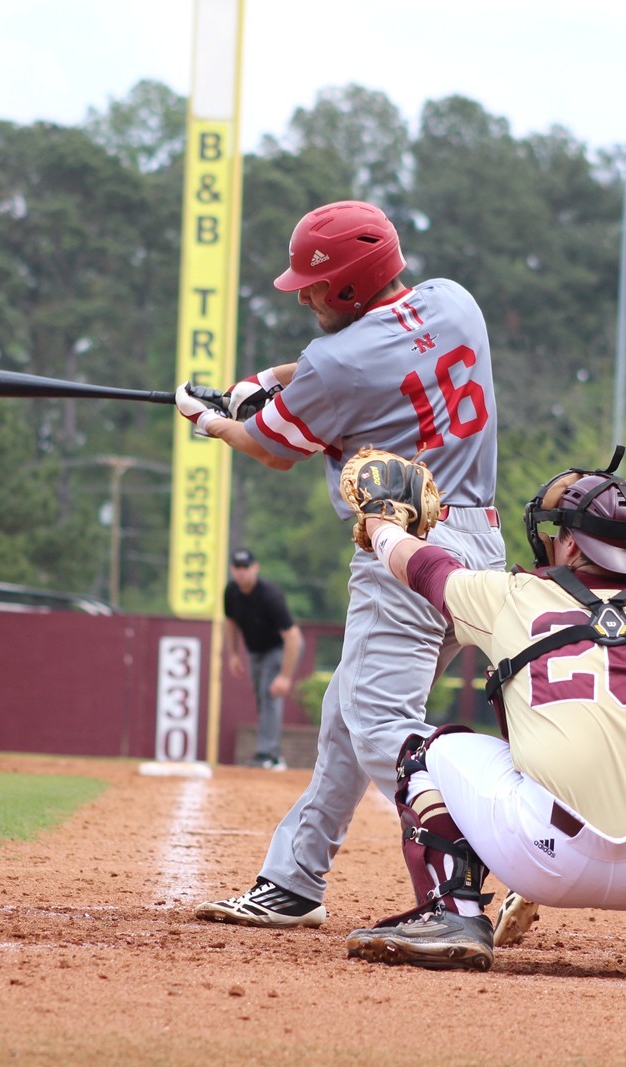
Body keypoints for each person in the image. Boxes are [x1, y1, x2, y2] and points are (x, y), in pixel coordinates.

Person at [178, 200, 505, 928]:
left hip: (403, 549)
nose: (305, 294)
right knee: (344, 715)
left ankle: (491, 850)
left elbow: (271, 444)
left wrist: (209, 418)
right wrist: (260, 379)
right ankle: (293, 878)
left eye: (316, 285)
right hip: (481, 544)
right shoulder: (453, 301)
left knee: (379, 722)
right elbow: (360, 365)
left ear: (351, 287)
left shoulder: (334, 363)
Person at [340, 455, 626, 980]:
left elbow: (429, 569)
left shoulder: (514, 597)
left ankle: (452, 913)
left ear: (570, 543)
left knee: (422, 750)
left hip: (541, 853)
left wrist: (384, 527)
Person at [223, 547, 304, 771]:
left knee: (270, 696)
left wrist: (285, 677)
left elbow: (293, 637)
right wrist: (233, 654)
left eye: (245, 567)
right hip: (256, 651)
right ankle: (272, 754)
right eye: (237, 568)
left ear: (255, 568)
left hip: (281, 648)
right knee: (262, 698)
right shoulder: (231, 592)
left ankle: (267, 754)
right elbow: (230, 623)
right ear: (232, 570)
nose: (241, 572)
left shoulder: (269, 595)